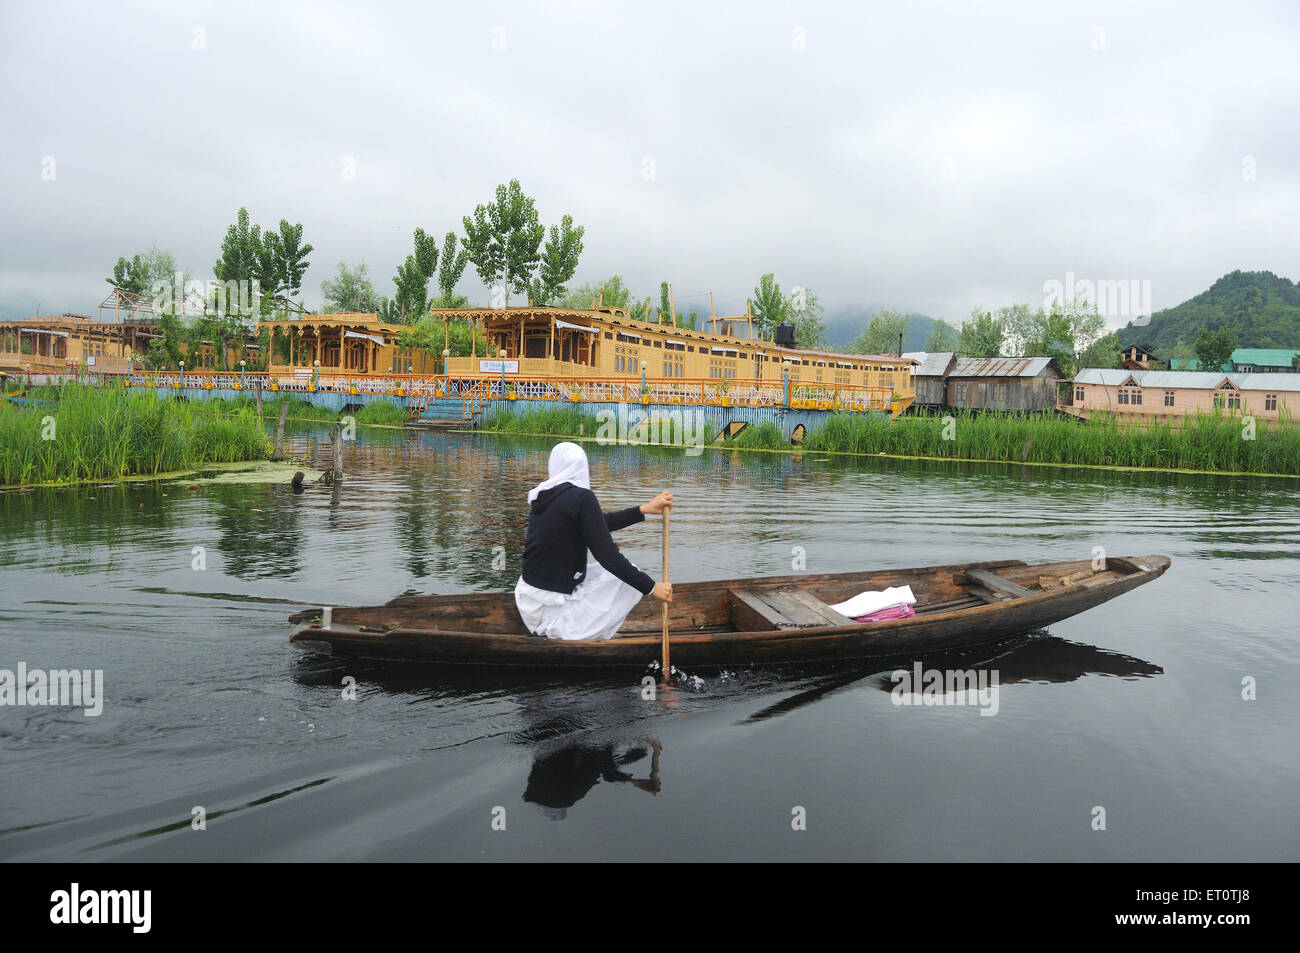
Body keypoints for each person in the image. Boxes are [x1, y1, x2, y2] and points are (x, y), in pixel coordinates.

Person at [514, 442, 672, 640]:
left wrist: (643, 510)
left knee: (617, 577)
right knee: (628, 583)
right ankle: (571, 633)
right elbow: (607, 555)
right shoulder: (581, 498)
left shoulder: (546, 495)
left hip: (530, 602)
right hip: (549, 613)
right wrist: (652, 587)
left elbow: (596, 524)